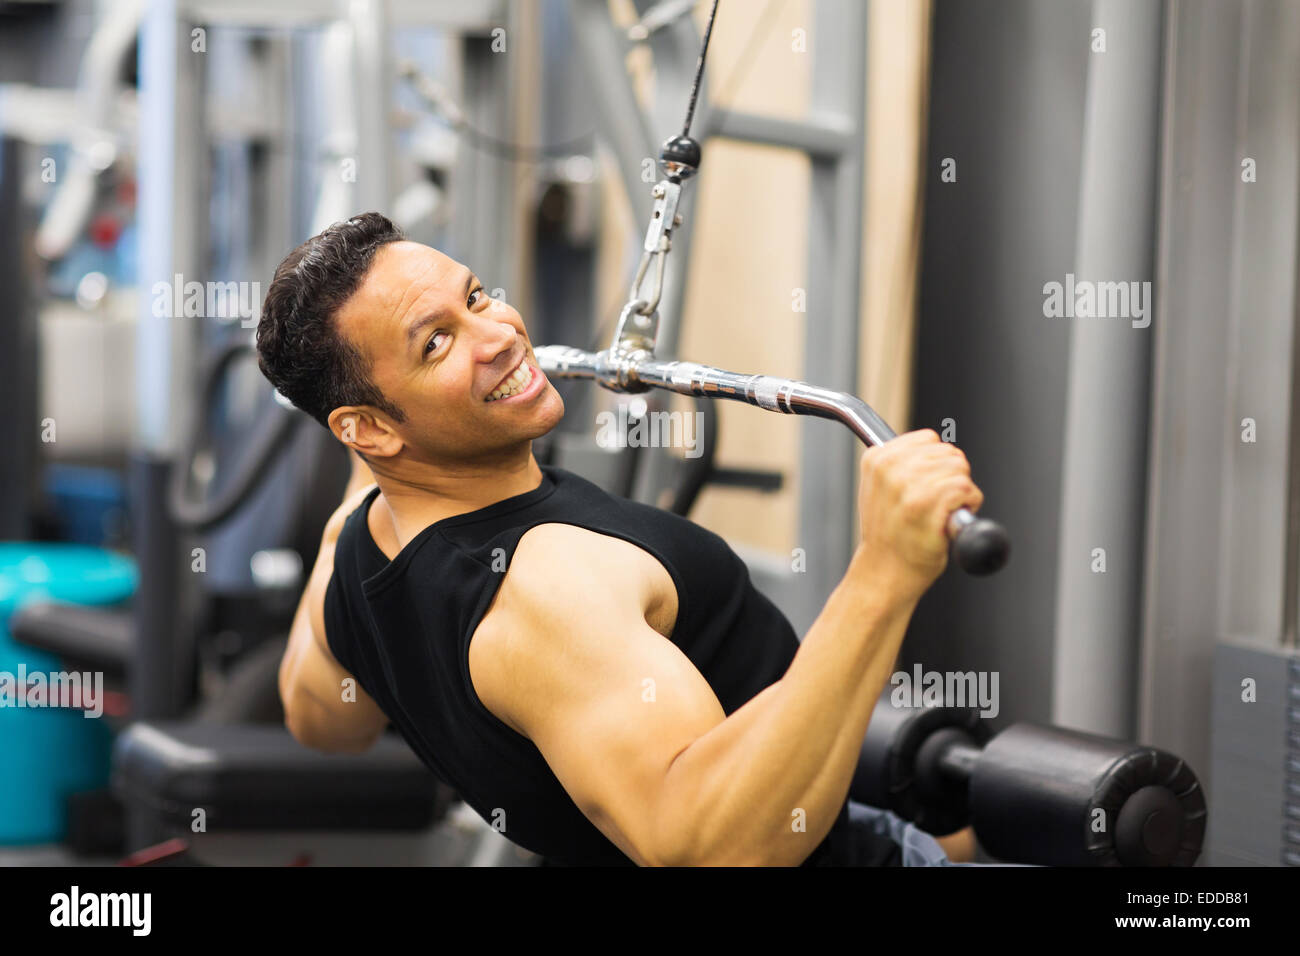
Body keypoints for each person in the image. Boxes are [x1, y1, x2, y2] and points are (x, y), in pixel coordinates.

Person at [258, 213, 986, 866]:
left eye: (477, 296)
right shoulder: (546, 590)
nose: (501, 335)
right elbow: (713, 851)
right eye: (437, 343)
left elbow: (324, 720)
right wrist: (885, 572)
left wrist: (369, 480)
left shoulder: (355, 548)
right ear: (370, 427)